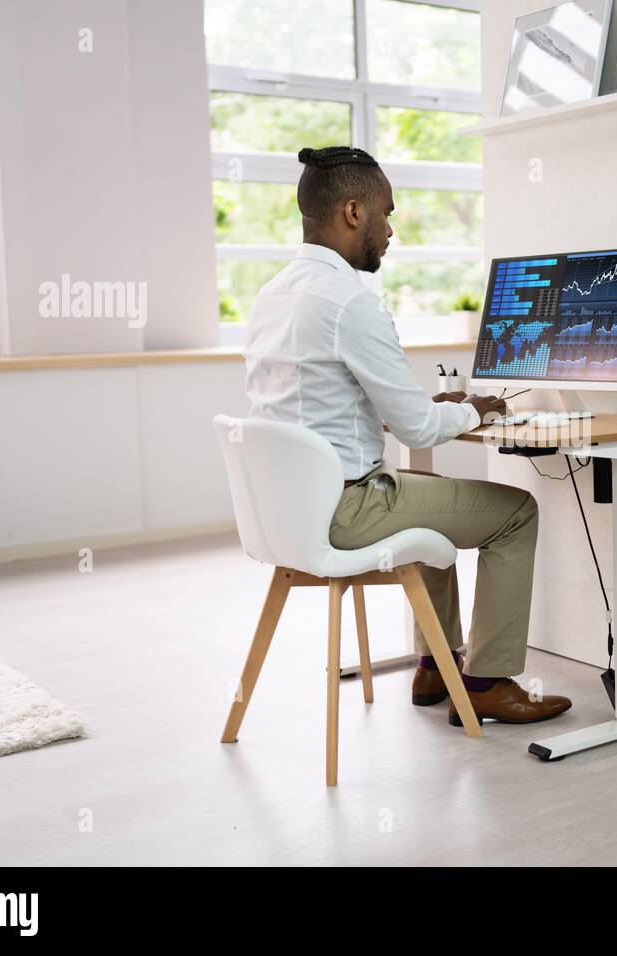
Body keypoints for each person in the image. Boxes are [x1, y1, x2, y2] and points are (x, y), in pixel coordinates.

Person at [243, 145, 573, 726]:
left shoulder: (272, 296)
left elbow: (342, 406)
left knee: (428, 490)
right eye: (386, 213)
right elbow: (418, 426)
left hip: (287, 513)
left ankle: (433, 662)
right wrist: (475, 409)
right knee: (515, 511)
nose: (390, 230)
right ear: (352, 212)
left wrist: (431, 407)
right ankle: (487, 682)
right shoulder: (351, 302)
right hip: (345, 510)